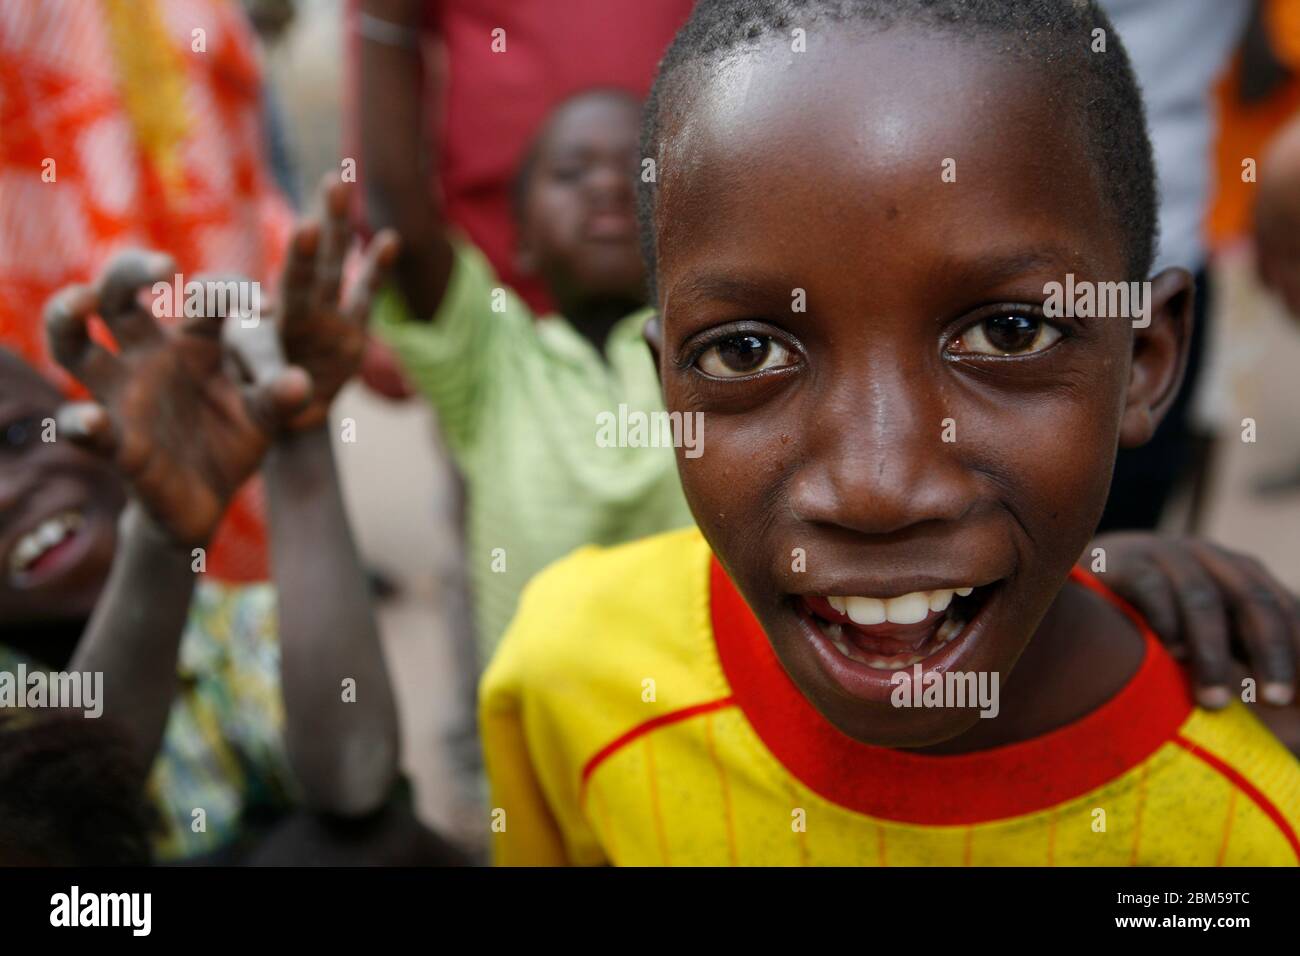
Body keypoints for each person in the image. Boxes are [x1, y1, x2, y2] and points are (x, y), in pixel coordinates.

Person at [480, 0, 1300, 866]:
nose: (875, 487)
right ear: (665, 388)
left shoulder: (1257, 824)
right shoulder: (572, 674)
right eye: (746, 351)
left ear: (1144, 361)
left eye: (1008, 335)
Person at [0, 180, 421, 862]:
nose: (7, 495)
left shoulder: (225, 631)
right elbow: (54, 847)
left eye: (19, 436)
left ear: (94, 412)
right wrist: (161, 546)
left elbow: (356, 780)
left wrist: (298, 435)